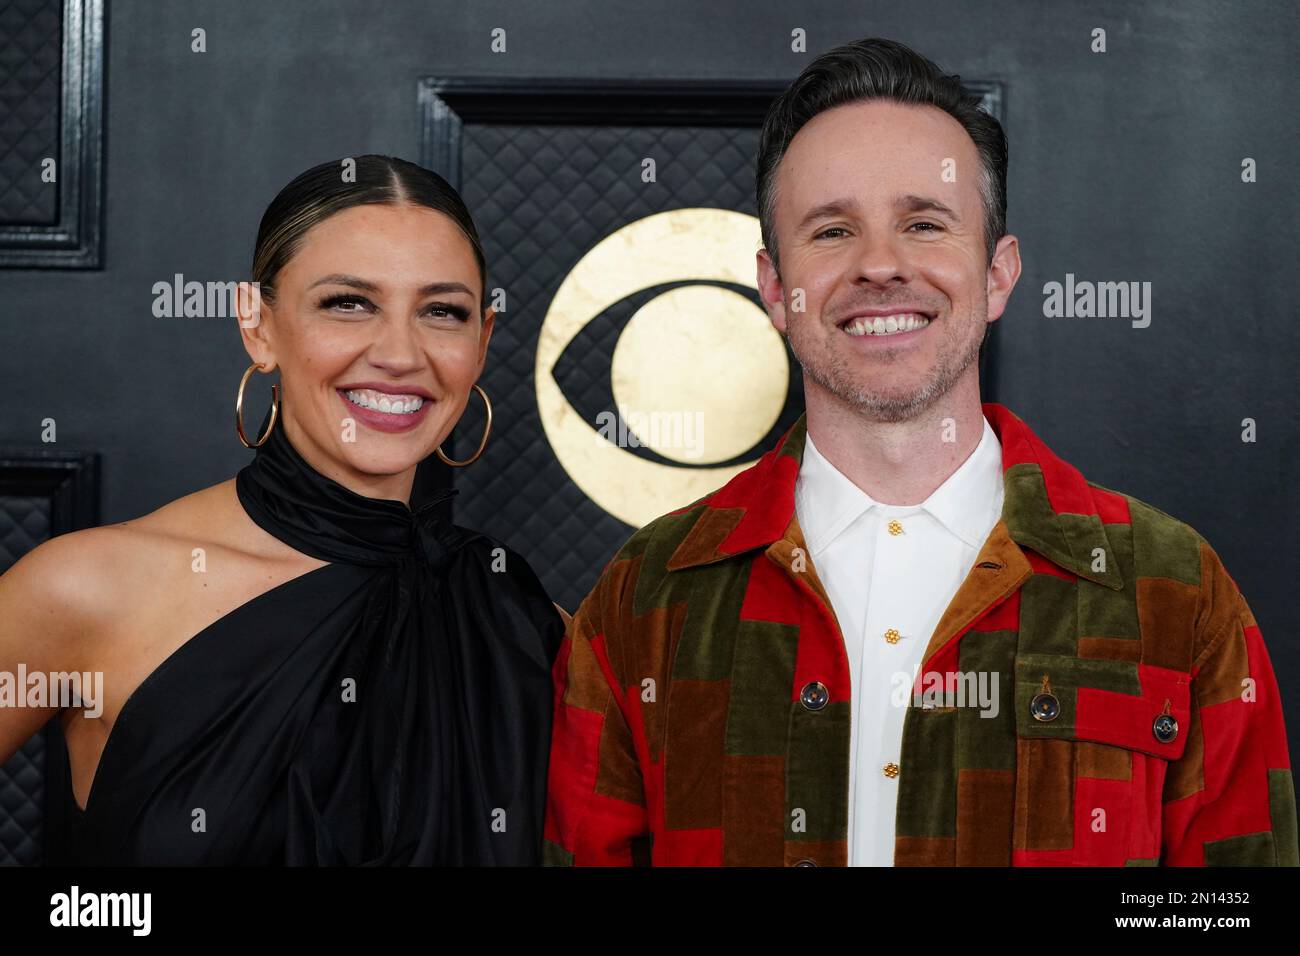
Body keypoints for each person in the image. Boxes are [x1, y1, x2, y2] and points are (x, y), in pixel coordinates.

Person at [543, 38, 1298, 866]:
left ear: (998, 274)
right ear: (774, 289)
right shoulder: (644, 597)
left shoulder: (1175, 590)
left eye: (924, 223)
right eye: (833, 230)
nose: (879, 265)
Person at [0, 154, 565, 865]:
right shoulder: (85, 589)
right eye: (348, 303)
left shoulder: (526, 624)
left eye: (441, 312)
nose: (399, 354)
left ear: (481, 342)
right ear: (257, 325)